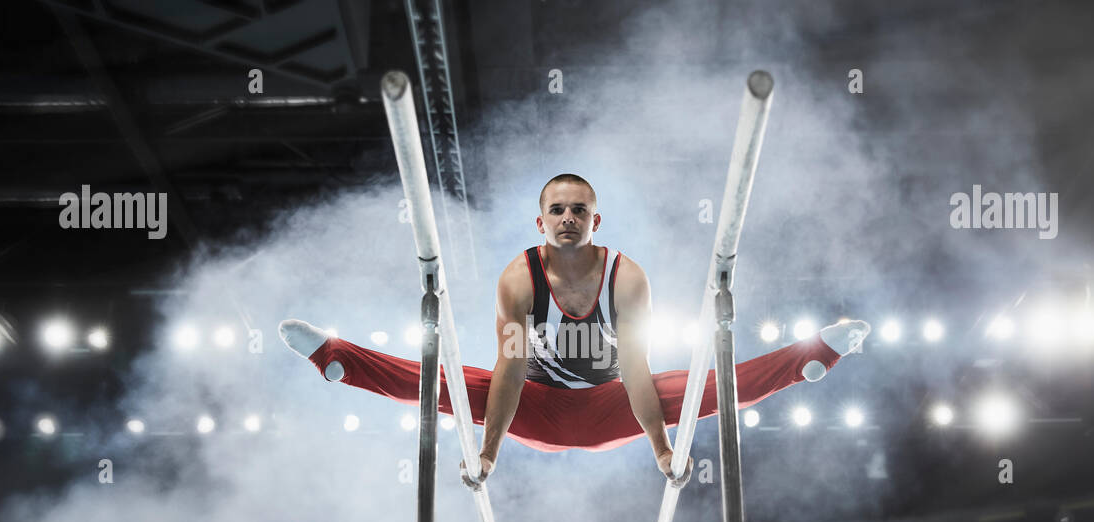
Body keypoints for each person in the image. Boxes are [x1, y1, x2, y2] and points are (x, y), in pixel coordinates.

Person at [279, 173, 870, 488]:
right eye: (557, 210)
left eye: (578, 210)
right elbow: (511, 368)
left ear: (596, 220)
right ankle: (339, 359)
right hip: (532, 406)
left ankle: (811, 356)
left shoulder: (625, 277)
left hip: (615, 404)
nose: (567, 218)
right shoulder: (520, 279)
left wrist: (664, 450)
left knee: (700, 390)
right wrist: (487, 456)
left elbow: (635, 369)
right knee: (453, 384)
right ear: (540, 221)